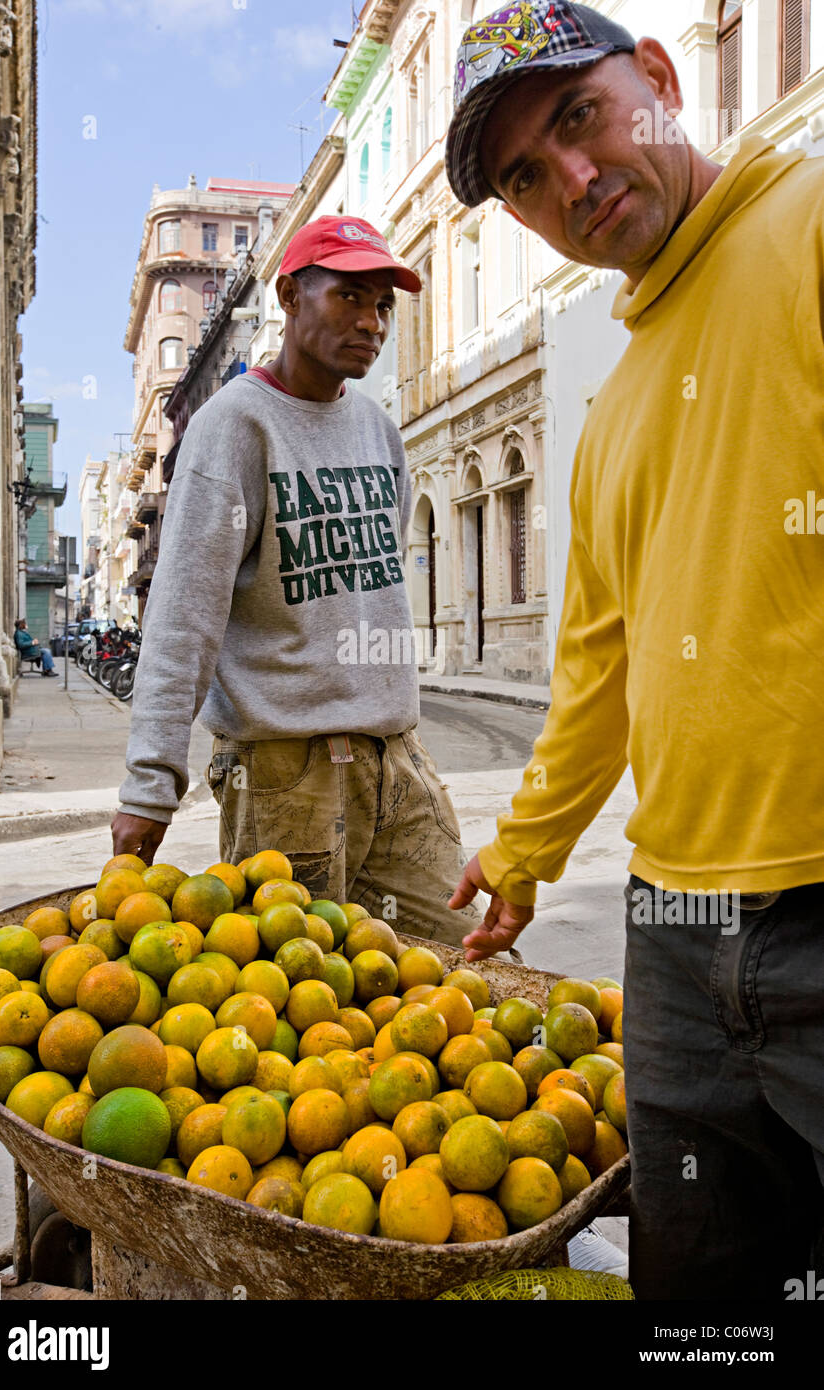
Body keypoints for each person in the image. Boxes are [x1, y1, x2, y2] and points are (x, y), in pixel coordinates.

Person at [444, 2, 824, 1299]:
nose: (574, 179)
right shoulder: (606, 414)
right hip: (671, 938)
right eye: (524, 178)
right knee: (701, 1295)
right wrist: (529, 844)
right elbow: (598, 667)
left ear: (656, 79)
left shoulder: (809, 224)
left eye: (578, 118)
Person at [111, 215, 482, 946]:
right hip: (283, 779)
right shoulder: (234, 427)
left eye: (382, 305)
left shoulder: (378, 429)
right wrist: (149, 786)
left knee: (464, 969)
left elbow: (377, 585)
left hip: (396, 762)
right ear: (289, 295)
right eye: (349, 297)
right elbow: (184, 618)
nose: (371, 323)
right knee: (298, 1010)